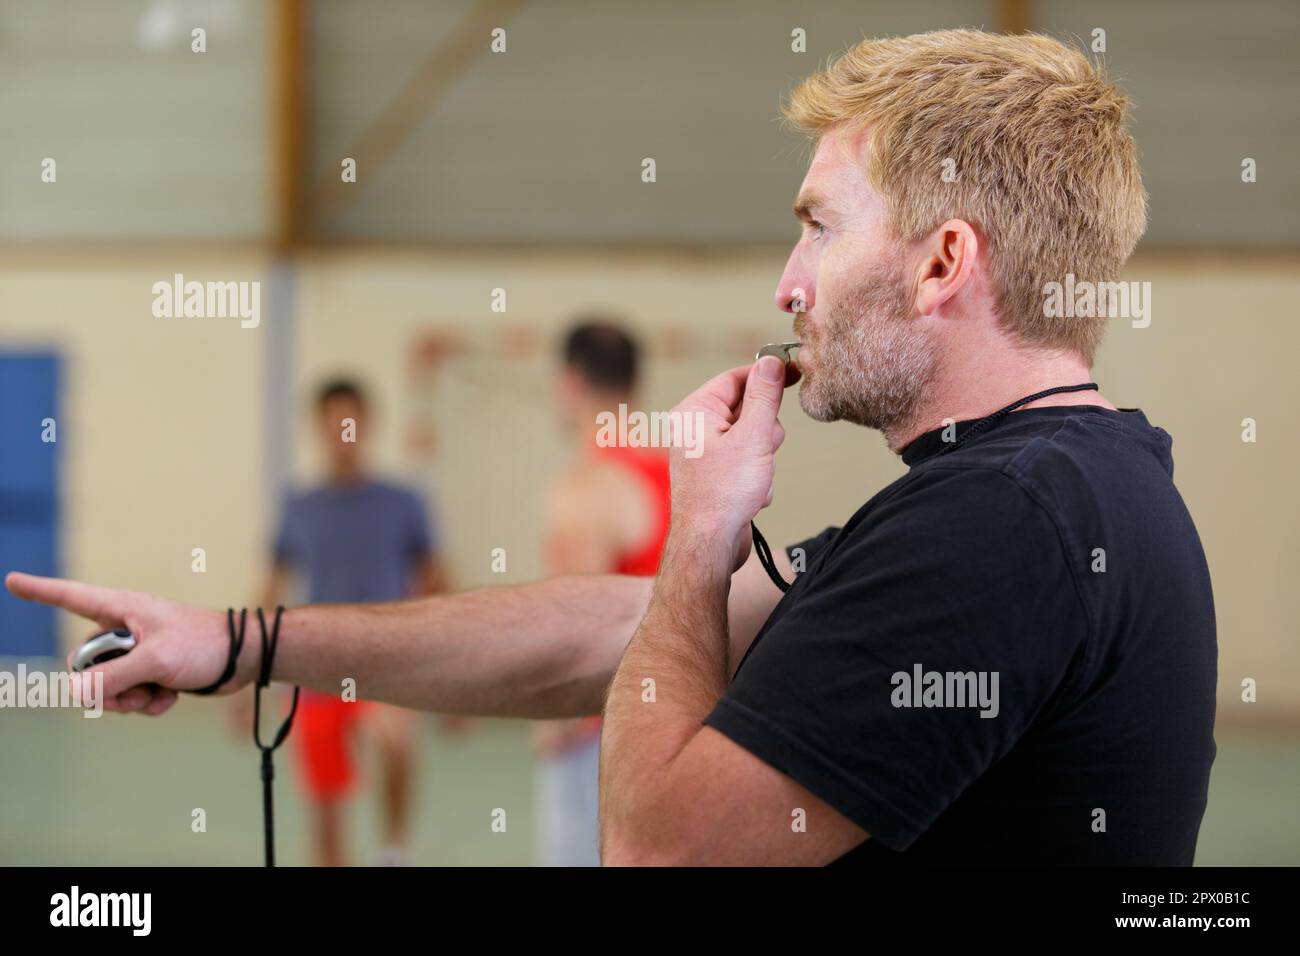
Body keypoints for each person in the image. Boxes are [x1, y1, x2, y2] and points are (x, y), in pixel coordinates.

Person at [8, 29, 1216, 866]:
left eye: (818, 228)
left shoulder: (1001, 520)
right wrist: (246, 641)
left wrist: (702, 527)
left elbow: (653, 847)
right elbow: (605, 636)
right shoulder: (1049, 487)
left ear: (944, 260)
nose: (789, 283)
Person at [260, 378, 448, 866]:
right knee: (326, 822)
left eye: (351, 421)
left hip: (383, 663)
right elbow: (270, 590)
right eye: (333, 422)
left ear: (366, 424)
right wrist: (245, 674)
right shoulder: (300, 507)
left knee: (394, 738)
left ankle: (392, 848)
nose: (343, 431)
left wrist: (455, 670)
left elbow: (437, 582)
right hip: (317, 670)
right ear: (318, 427)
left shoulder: (402, 503)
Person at [535, 321, 671, 866]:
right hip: (680, 720)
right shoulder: (679, 475)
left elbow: (577, 632)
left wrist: (554, 730)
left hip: (602, 733)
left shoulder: (586, 488)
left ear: (569, 382)